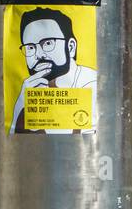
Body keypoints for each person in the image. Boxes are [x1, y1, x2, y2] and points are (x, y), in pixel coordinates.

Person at [10, 7, 99, 135]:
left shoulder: (88, 82)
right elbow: (12, 143)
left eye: (47, 43)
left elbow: (84, 143)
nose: (39, 54)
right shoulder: (27, 90)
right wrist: (21, 103)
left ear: (71, 47)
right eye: (30, 47)